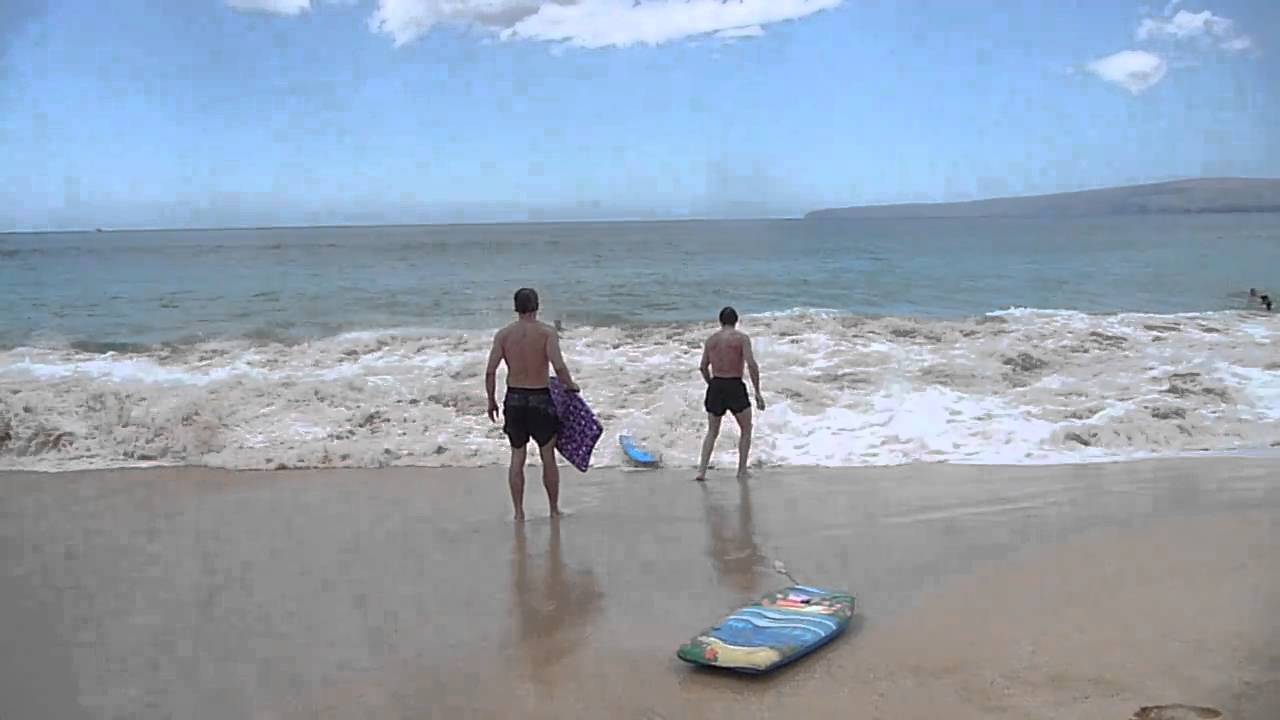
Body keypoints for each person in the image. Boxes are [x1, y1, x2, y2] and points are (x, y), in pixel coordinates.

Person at [485, 288, 580, 521]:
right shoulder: (547, 333)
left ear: (515, 307)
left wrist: (491, 400)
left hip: (514, 399)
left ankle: (519, 513)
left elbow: (490, 371)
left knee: (517, 456)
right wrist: (571, 386)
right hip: (540, 398)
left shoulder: (504, 335)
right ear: (537, 306)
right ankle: (553, 509)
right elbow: (558, 366)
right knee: (547, 455)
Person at [695, 306, 764, 482]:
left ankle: (702, 471)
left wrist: (711, 384)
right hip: (734, 385)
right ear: (736, 321)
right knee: (746, 429)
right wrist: (757, 392)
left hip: (716, 385)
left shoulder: (711, 340)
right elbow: (751, 364)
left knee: (712, 431)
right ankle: (741, 470)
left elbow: (703, 367)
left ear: (720, 321)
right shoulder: (741, 338)